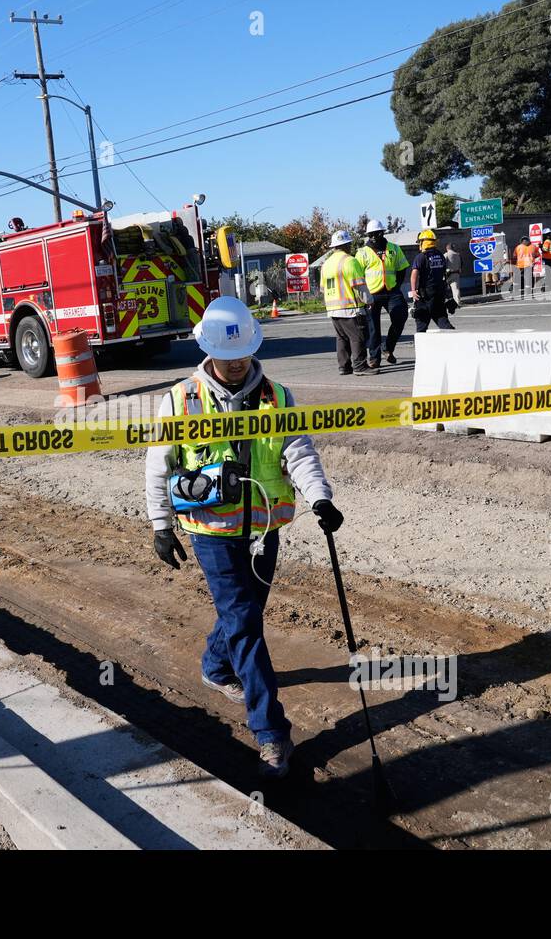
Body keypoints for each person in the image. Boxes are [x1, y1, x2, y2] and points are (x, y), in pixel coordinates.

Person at [145, 296, 344, 779]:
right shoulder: (181, 398)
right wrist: (160, 524)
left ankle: (215, 667)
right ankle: (271, 732)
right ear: (208, 350)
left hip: (262, 528)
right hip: (209, 530)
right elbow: (159, 460)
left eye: (241, 355)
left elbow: (298, 450)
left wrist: (320, 497)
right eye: (225, 356)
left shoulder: (277, 395)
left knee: (245, 609)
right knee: (245, 621)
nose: (235, 365)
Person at [355, 219, 409, 369]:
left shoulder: (394, 248)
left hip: (392, 291)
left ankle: (388, 347)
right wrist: (362, 295)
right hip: (372, 294)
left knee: (400, 316)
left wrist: (397, 285)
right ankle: (374, 358)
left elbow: (402, 268)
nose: (373, 237)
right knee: (373, 328)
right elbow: (358, 275)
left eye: (376, 233)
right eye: (370, 234)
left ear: (382, 233)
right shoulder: (362, 253)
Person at [319, 230, 374, 375]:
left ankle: (344, 366)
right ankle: (360, 366)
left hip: (333, 309)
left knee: (342, 338)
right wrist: (369, 300)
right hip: (350, 307)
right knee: (357, 337)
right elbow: (359, 285)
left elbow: (323, 289)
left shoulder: (326, 264)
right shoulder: (350, 261)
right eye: (349, 244)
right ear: (346, 245)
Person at [410, 229, 456, 332]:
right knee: (442, 319)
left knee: (421, 324)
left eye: (420, 242)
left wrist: (413, 290)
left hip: (425, 295)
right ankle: (453, 340)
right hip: (439, 294)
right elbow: (443, 274)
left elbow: (414, 275)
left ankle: (422, 346)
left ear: (423, 242)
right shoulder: (440, 255)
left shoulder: (420, 257)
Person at [444, 240, 463, 309]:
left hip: (447, 274)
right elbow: (461, 264)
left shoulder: (446, 255)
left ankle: (444, 303)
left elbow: (443, 264)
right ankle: (457, 302)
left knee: (443, 289)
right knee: (456, 289)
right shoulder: (458, 255)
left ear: (447, 248)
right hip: (456, 273)